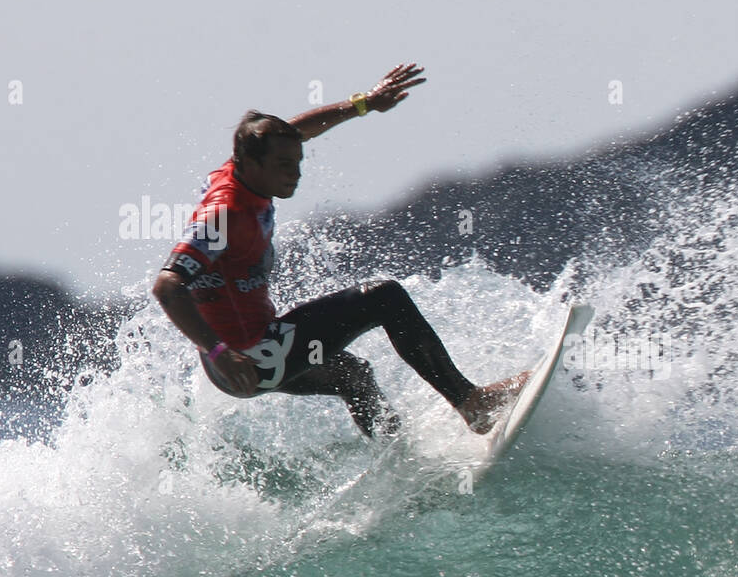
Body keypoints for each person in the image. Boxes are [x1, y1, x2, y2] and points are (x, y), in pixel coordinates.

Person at [152, 63, 527, 438]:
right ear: (249, 161)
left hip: (248, 355)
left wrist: (365, 103)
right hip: (250, 359)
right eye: (284, 165)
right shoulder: (225, 213)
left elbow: (297, 132)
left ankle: (398, 459)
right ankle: (471, 402)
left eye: (297, 162)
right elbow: (168, 285)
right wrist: (219, 351)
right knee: (384, 297)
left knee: (353, 375)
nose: (295, 173)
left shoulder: (242, 168)